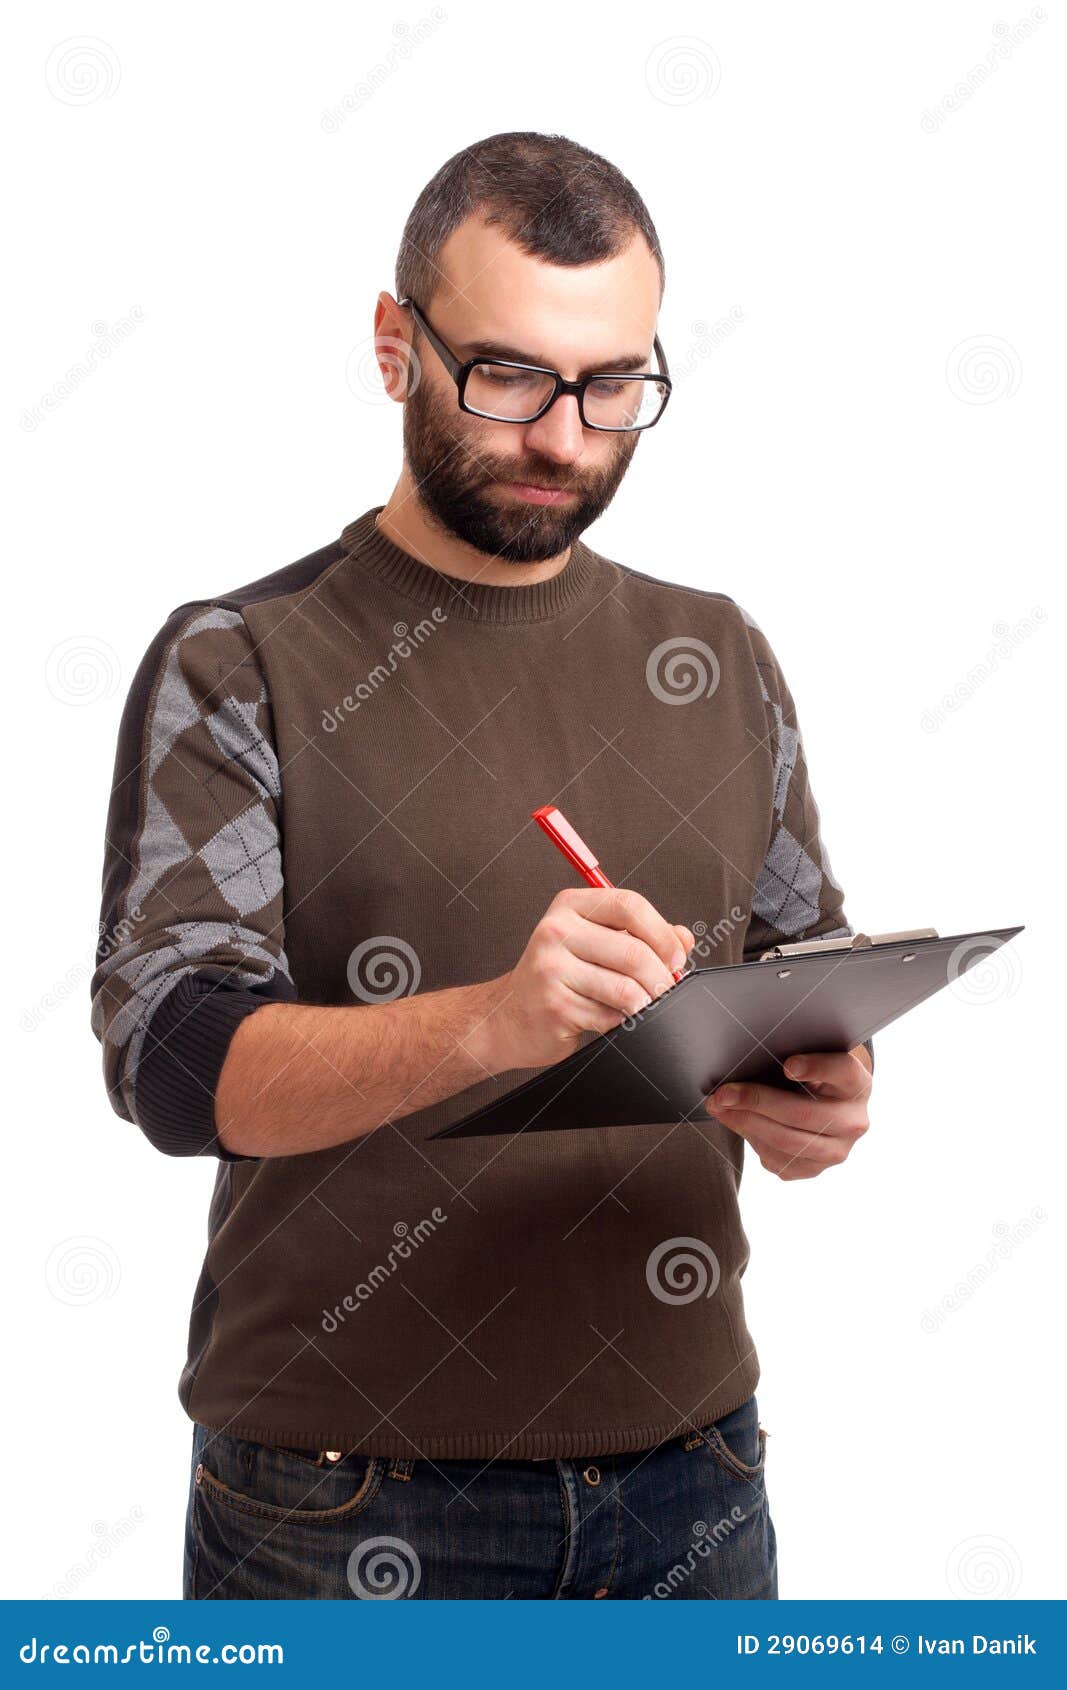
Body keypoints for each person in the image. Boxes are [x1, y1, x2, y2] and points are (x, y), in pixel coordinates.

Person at [90, 131, 874, 1601]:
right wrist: (491, 1022)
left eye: (613, 385)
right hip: (336, 1502)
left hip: (694, 1474)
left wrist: (814, 1099)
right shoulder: (242, 658)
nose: (565, 437)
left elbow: (797, 970)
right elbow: (171, 1060)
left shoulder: (718, 652)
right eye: (507, 376)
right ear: (397, 346)